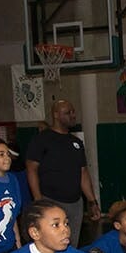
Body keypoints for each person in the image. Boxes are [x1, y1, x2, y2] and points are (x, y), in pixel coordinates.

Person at [25, 99, 99, 237]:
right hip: (51, 200)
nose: (72, 115)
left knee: (72, 244)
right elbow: (31, 169)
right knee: (54, 243)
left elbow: (83, 172)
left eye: (73, 112)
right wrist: (38, 200)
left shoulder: (76, 142)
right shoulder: (42, 139)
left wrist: (92, 201)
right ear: (56, 115)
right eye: (67, 112)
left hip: (75, 204)